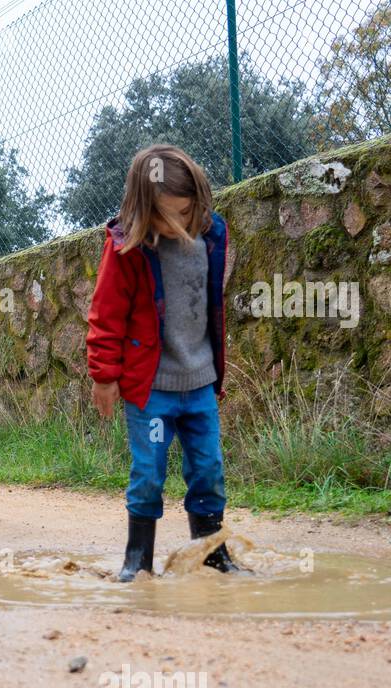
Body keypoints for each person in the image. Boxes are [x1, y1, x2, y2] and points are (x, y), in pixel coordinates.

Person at [85, 144, 245, 582]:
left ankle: (213, 554)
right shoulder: (126, 250)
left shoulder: (211, 238)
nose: (178, 223)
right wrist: (104, 376)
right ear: (142, 209)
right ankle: (138, 560)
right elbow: (105, 315)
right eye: (166, 215)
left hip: (200, 384)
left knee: (209, 470)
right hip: (150, 389)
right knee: (149, 474)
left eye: (185, 211)